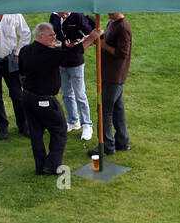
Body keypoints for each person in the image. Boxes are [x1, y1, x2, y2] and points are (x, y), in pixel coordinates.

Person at [18, 22, 81, 175]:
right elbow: (73, 56)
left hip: (27, 97)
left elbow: (22, 70)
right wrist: (90, 38)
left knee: (36, 133)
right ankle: (52, 165)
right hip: (44, 100)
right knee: (60, 129)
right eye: (51, 35)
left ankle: (40, 166)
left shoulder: (25, 50)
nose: (54, 37)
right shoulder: (48, 54)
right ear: (41, 36)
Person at [50, 11, 96, 140]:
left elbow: (91, 34)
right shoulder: (54, 17)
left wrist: (78, 42)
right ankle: (73, 121)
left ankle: (87, 124)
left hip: (76, 61)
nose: (65, 15)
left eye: (67, 13)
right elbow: (54, 35)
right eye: (62, 13)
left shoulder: (78, 16)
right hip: (61, 62)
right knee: (66, 93)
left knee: (80, 94)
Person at [95, 12, 133, 157]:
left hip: (114, 76)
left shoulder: (123, 28)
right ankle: (122, 142)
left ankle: (107, 146)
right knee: (118, 109)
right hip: (111, 74)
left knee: (105, 111)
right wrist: (102, 37)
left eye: (111, 10)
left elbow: (122, 53)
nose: (109, 13)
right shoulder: (112, 23)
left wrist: (103, 45)